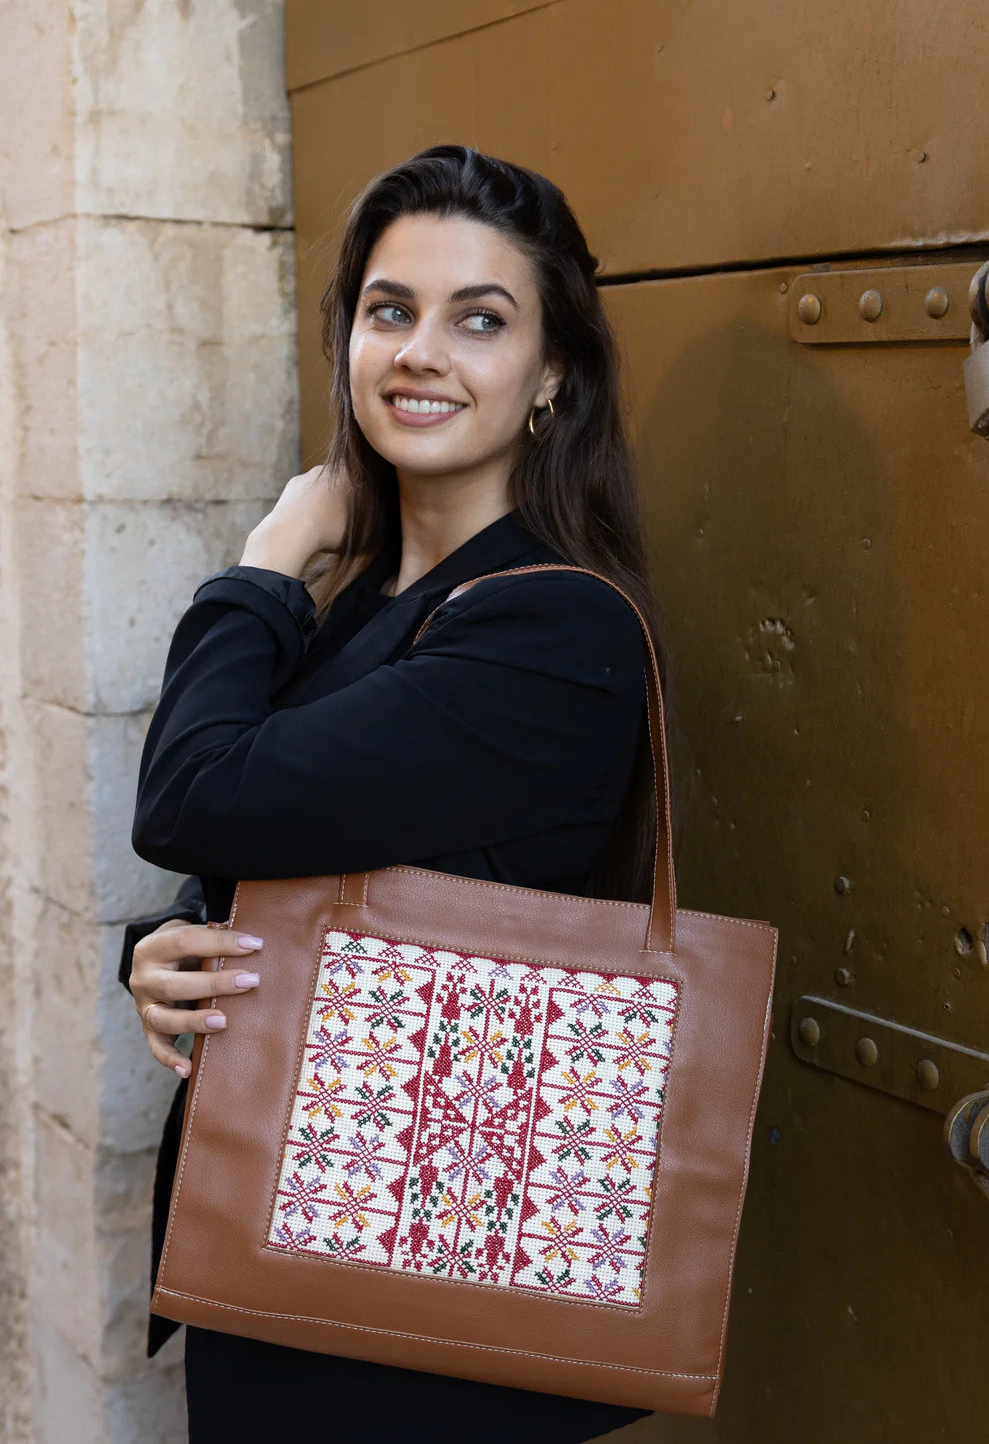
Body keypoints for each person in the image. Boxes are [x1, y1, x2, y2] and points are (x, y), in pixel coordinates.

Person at [120, 144, 666, 1443]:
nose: (420, 351)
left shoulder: (550, 628)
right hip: (292, 1236)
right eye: (389, 309)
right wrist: (166, 950)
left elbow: (193, 793)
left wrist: (266, 557)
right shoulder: (374, 599)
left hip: (417, 1309)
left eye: (479, 319)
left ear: (553, 375)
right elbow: (285, 858)